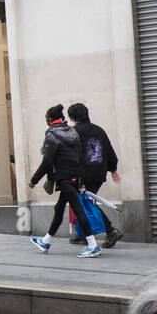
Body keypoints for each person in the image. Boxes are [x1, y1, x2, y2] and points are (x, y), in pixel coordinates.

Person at [28, 104, 102, 257]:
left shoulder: (52, 136)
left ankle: (93, 245)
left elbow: (47, 162)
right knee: (59, 209)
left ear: (49, 119)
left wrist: (34, 180)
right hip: (74, 177)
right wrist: (80, 178)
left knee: (78, 210)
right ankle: (46, 241)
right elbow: (81, 157)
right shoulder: (73, 132)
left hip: (64, 178)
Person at [66, 102, 122, 249]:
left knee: (86, 203)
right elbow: (109, 151)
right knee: (85, 202)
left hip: (84, 174)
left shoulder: (75, 132)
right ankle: (84, 234)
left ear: (73, 117)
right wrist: (113, 169)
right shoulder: (99, 130)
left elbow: (72, 155)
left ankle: (110, 231)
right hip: (99, 173)